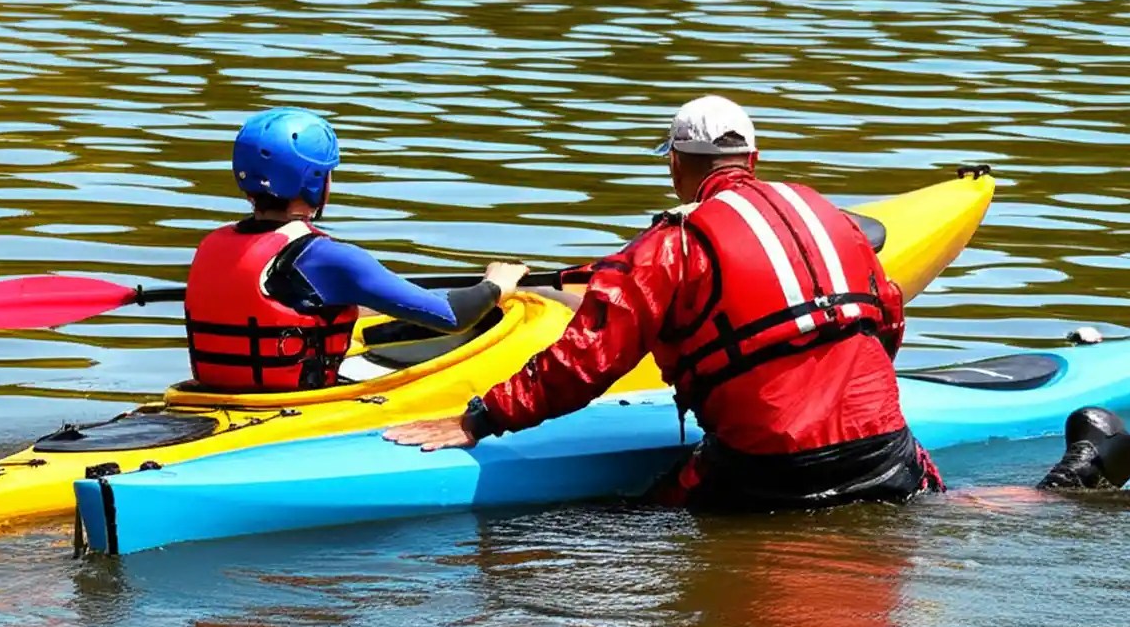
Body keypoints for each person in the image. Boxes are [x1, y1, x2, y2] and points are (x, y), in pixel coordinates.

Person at [385, 94, 944, 513]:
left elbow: (584, 362)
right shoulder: (832, 217)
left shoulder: (669, 248)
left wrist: (480, 418)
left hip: (766, 471)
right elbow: (888, 318)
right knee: (937, 500)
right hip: (886, 452)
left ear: (676, 163)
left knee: (636, 521)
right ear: (754, 156)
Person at [184, 107, 528, 392]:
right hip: (296, 409)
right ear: (314, 181)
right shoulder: (329, 258)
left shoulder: (212, 246)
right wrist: (495, 284)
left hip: (210, 397)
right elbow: (451, 316)